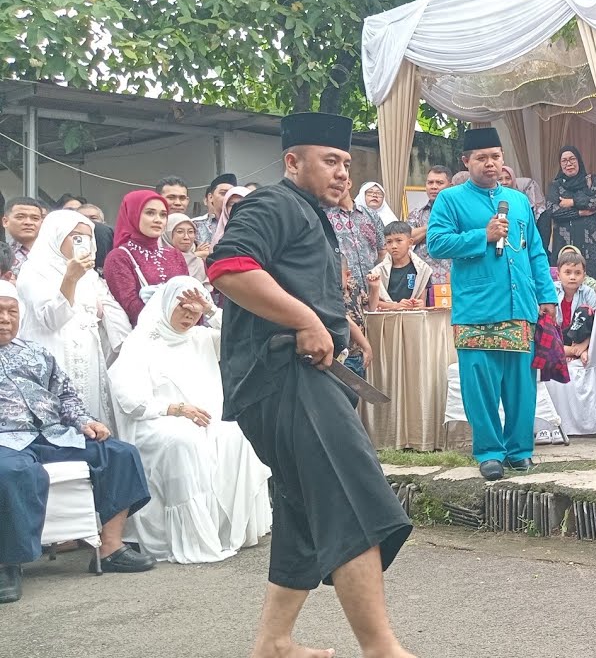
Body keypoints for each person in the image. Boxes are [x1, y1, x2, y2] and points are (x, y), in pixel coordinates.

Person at [207, 112, 417, 658]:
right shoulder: (273, 204)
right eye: (330, 161)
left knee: (302, 511)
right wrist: (304, 320)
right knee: (352, 500)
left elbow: (293, 281)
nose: (343, 172)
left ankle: (274, 643)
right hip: (285, 377)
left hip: (295, 377)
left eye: (346, 162)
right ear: (292, 162)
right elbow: (228, 267)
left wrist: (337, 323)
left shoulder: (309, 213)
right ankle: (382, 650)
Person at [0, 280, 154, 605]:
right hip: (6, 441)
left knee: (119, 453)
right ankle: (6, 564)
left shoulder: (35, 353)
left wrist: (85, 421)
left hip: (51, 433)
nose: (5, 318)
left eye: (12, 311)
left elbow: (66, 395)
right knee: (10, 474)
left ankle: (111, 547)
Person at [107, 276, 272, 563]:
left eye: (194, 311)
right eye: (182, 307)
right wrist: (176, 409)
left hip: (203, 421)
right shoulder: (141, 342)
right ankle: (192, 539)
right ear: (166, 304)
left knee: (238, 436)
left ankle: (230, 531)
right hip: (156, 422)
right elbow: (130, 400)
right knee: (184, 441)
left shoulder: (200, 338)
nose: (188, 316)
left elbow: (243, 335)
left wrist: (211, 310)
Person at [426, 127, 557, 482]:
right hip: (476, 307)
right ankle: (489, 452)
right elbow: (436, 243)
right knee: (479, 384)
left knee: (521, 385)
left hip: (519, 304)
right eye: (482, 158)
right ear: (466, 161)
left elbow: (535, 251)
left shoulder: (518, 201)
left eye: (495, 157)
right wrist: (482, 236)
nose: (490, 163)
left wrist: (547, 296)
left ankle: (519, 451)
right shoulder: (450, 199)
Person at [17, 210, 131, 431]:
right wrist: (71, 278)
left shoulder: (90, 275)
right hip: (52, 352)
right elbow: (51, 319)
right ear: (56, 234)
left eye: (88, 237)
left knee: (90, 413)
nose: (84, 243)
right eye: (76, 237)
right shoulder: (33, 270)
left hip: (87, 354)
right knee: (56, 415)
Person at [103, 190, 188, 325]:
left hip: (183, 331)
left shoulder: (174, 254)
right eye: (150, 213)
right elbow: (131, 306)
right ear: (133, 214)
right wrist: (171, 326)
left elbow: (189, 294)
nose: (158, 220)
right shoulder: (119, 257)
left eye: (163, 214)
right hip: (146, 332)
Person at [546, 146, 596, 280]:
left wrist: (572, 202)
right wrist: (580, 212)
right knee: (568, 280)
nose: (568, 164)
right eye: (564, 161)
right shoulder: (555, 186)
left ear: (579, 161)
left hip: (592, 244)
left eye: (572, 159)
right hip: (565, 244)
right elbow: (553, 211)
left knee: (595, 283)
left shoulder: (591, 180)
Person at [328, 182, 385, 297]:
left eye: (339, 181)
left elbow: (382, 251)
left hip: (375, 290)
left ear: (348, 183)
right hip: (345, 294)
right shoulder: (325, 217)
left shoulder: (371, 215)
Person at [407, 165, 453, 287]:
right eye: (430, 182)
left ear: (450, 186)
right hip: (422, 279)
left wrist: (421, 234)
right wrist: (433, 226)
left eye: (439, 183)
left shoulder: (457, 213)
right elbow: (407, 238)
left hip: (450, 277)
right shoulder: (417, 213)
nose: (434, 186)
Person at [371, 221, 432, 310]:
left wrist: (419, 304)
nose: (394, 246)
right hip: (387, 317)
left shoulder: (422, 269)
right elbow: (372, 304)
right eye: (389, 242)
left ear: (410, 242)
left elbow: (422, 300)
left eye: (399, 240)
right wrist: (396, 306)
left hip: (413, 317)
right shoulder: (377, 272)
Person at [554, 248, 596, 364]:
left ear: (584, 276)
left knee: (585, 311)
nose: (572, 277)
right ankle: (574, 351)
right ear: (558, 275)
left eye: (577, 273)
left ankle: (580, 348)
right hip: (559, 335)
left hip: (581, 336)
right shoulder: (552, 290)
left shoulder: (588, 292)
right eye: (568, 272)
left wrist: (585, 342)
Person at [340, 256, 376, 380]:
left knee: (356, 389)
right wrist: (366, 346)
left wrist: (374, 288)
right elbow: (347, 322)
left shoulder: (355, 287)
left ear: (348, 275)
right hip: (341, 354)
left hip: (357, 353)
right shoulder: (330, 292)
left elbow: (370, 307)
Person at [162, 214, 212, 294]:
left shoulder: (198, 262)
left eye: (191, 232)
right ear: (167, 234)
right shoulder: (158, 260)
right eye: (180, 232)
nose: (186, 237)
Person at [192, 173, 237, 246]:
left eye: (232, 194)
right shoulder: (195, 225)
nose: (228, 197)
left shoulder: (241, 223)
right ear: (210, 197)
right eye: (223, 193)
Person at [4, 197, 43, 276]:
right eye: (20, 217)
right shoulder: (3, 253)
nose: (28, 222)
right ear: (5, 222)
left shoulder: (56, 251)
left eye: (35, 218)